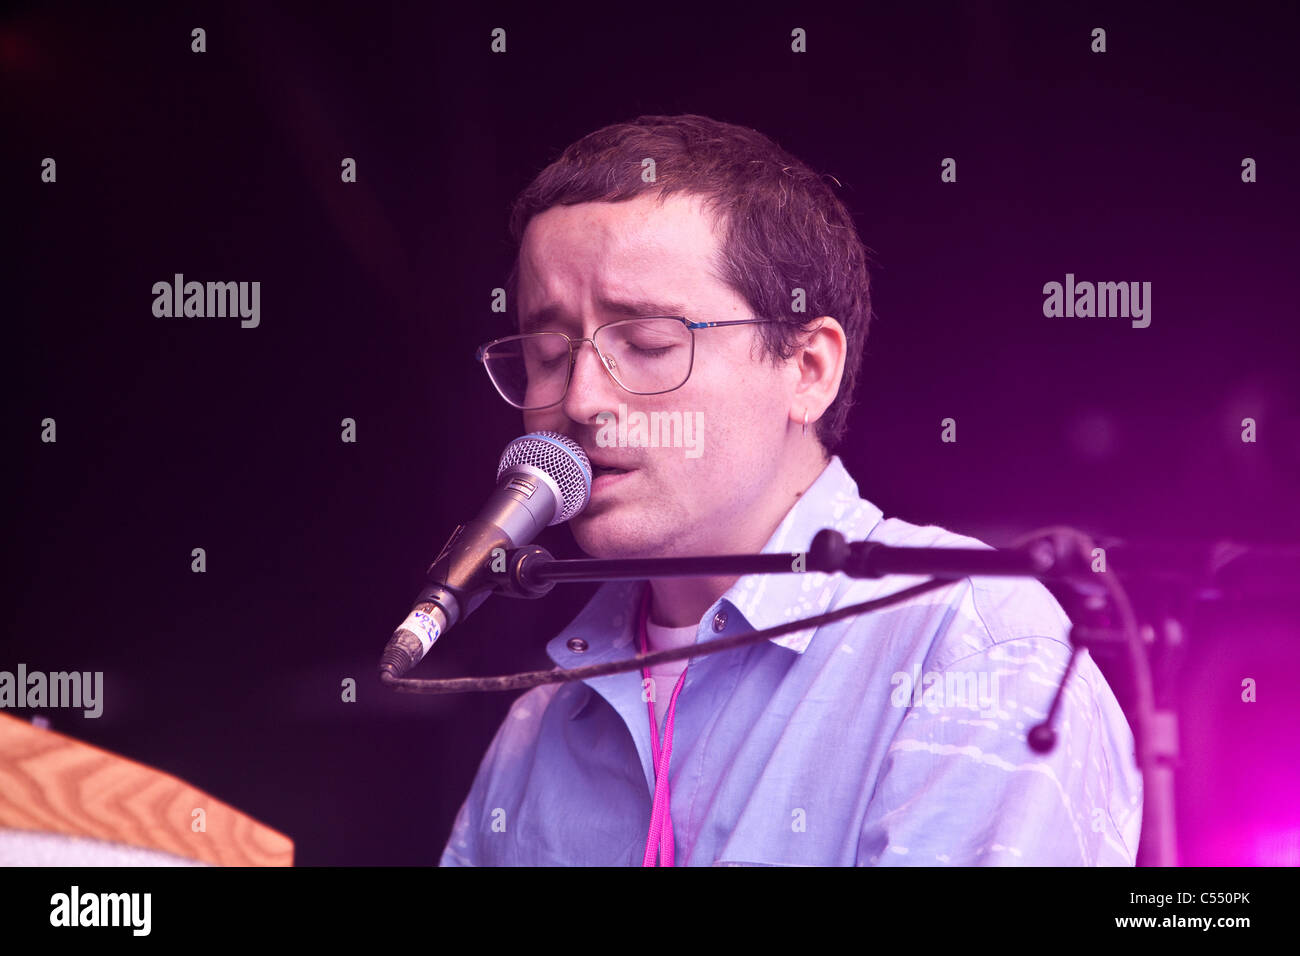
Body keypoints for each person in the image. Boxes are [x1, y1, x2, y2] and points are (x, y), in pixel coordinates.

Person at [440, 114, 1142, 866]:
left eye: (647, 345)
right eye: (548, 354)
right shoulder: (538, 727)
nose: (579, 400)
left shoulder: (971, 645)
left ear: (807, 369)